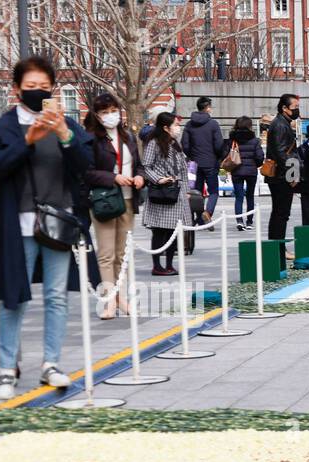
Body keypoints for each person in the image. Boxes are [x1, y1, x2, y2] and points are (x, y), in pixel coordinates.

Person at [0, 55, 93, 401]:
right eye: (30, 87)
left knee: (57, 297)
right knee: (15, 297)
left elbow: (84, 168)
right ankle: (6, 367)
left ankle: (51, 363)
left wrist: (65, 137)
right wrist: (26, 140)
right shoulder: (1, 127)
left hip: (58, 223)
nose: (37, 92)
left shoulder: (66, 122)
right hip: (17, 225)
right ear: (16, 90)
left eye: (44, 87)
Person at [82, 92, 142, 321]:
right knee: (106, 254)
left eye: (113, 110)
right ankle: (108, 300)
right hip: (105, 200)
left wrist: (139, 177)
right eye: (105, 112)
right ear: (97, 115)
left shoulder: (127, 137)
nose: (110, 115)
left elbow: (140, 165)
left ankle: (122, 298)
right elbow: (87, 172)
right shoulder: (92, 139)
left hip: (128, 199)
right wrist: (113, 178)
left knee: (123, 254)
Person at [139, 112, 188, 278]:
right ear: (166, 127)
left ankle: (168, 264)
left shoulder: (175, 143)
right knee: (159, 231)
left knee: (173, 231)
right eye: (175, 125)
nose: (178, 128)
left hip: (176, 191)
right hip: (161, 192)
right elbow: (146, 166)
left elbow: (183, 169)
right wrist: (158, 179)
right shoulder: (153, 143)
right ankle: (157, 265)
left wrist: (186, 190)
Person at [180, 96, 224, 222]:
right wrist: (217, 156)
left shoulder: (189, 124)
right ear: (208, 107)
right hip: (210, 162)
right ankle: (208, 212)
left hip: (194, 163)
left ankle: (199, 217)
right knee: (213, 191)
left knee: (196, 192)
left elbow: (185, 144)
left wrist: (192, 156)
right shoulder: (213, 124)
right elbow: (219, 144)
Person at [264, 93, 299, 243]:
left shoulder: (282, 123)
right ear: (285, 108)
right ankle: (277, 246)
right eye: (295, 107)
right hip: (280, 176)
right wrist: (292, 174)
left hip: (281, 174)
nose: (297, 110)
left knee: (281, 212)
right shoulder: (279, 125)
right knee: (281, 212)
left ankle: (278, 245)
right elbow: (281, 153)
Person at [226, 116, 263, 232]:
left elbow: (226, 154)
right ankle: (249, 221)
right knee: (250, 196)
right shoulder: (255, 140)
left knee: (239, 197)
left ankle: (239, 221)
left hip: (236, 170)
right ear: (250, 126)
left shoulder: (233, 140)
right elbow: (260, 156)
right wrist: (255, 165)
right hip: (251, 172)